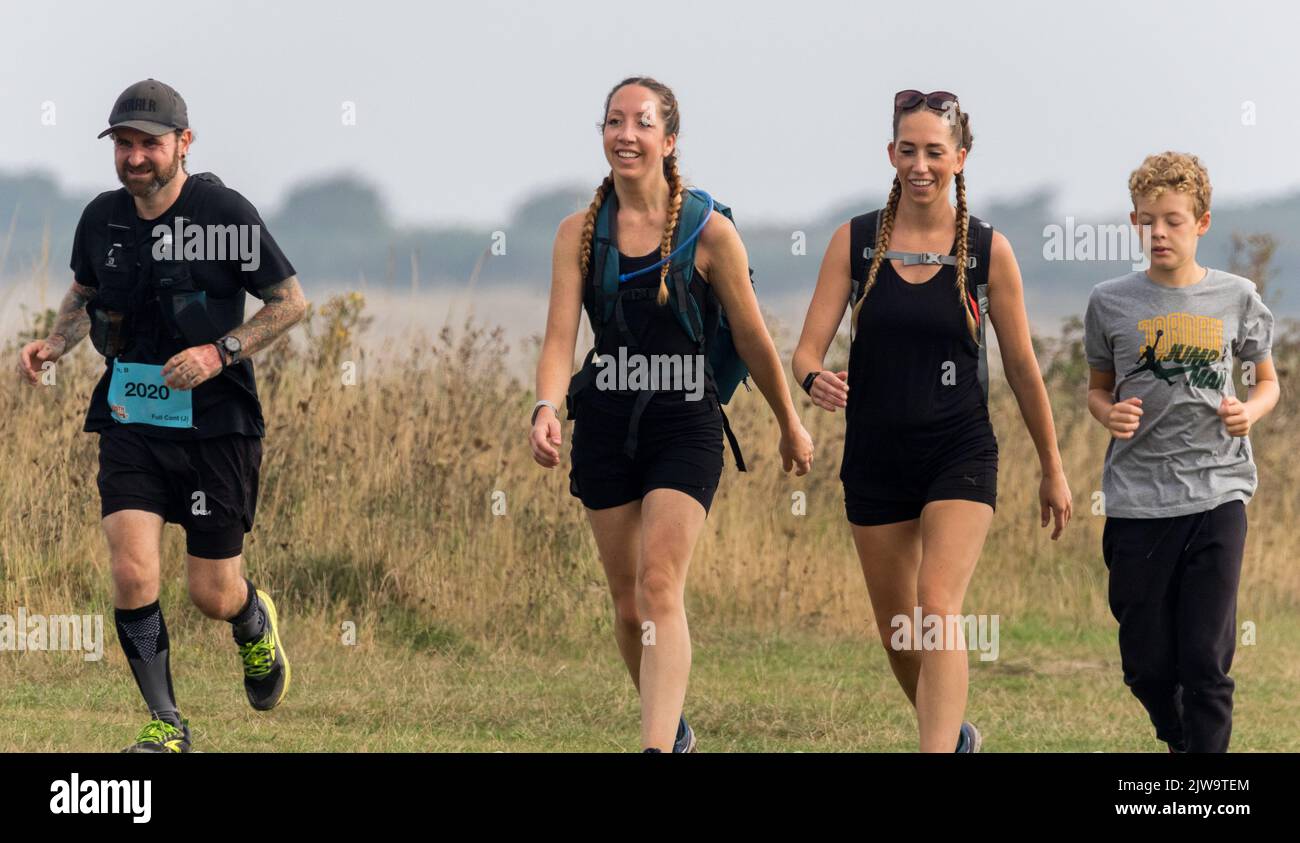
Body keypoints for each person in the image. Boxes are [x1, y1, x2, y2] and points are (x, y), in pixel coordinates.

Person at [16, 79, 308, 752]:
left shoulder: (224, 212)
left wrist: (220, 350)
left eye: (149, 143)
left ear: (184, 143)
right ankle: (166, 722)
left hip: (215, 426)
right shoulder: (102, 218)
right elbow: (85, 288)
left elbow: (290, 301)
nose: (135, 157)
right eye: (123, 143)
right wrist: (54, 342)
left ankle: (252, 620)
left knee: (211, 589)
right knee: (131, 570)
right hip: (131, 417)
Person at [530, 76, 814, 752]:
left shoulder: (710, 233)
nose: (626, 134)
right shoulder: (579, 234)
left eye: (642, 122)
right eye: (614, 121)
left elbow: (751, 338)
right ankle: (675, 728)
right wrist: (545, 404)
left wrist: (788, 421)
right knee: (629, 604)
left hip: (686, 419)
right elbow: (558, 339)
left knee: (660, 582)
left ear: (669, 138)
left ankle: (655, 747)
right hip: (605, 418)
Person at [792, 90, 1072, 752]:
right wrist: (813, 376)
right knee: (899, 632)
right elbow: (805, 349)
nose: (921, 165)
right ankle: (956, 733)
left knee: (936, 605)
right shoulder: (855, 242)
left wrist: (1054, 468)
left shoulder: (986, 253)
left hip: (959, 449)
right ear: (892, 154)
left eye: (935, 152)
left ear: (961, 158)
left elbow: (1025, 370)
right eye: (909, 151)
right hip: (875, 455)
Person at [1084, 151, 1278, 752]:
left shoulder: (1237, 297)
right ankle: (1181, 741)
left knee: (1205, 660)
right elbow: (1096, 389)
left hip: (1218, 492)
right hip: (1137, 501)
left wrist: (1250, 410)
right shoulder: (1110, 301)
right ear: (1134, 221)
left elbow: (1267, 381)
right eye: (1147, 220)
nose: (1159, 232)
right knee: (1146, 664)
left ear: (1202, 222)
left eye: (1172, 219)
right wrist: (1108, 413)